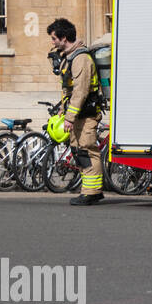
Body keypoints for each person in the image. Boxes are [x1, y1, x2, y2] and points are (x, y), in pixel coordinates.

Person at [47, 18, 105, 205]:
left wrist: (69, 117)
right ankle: (89, 190)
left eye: (54, 38)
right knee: (79, 151)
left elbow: (80, 91)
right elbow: (68, 89)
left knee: (87, 151)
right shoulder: (70, 57)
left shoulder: (80, 58)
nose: (52, 42)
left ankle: (92, 192)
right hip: (78, 115)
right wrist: (63, 111)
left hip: (85, 115)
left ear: (64, 38)